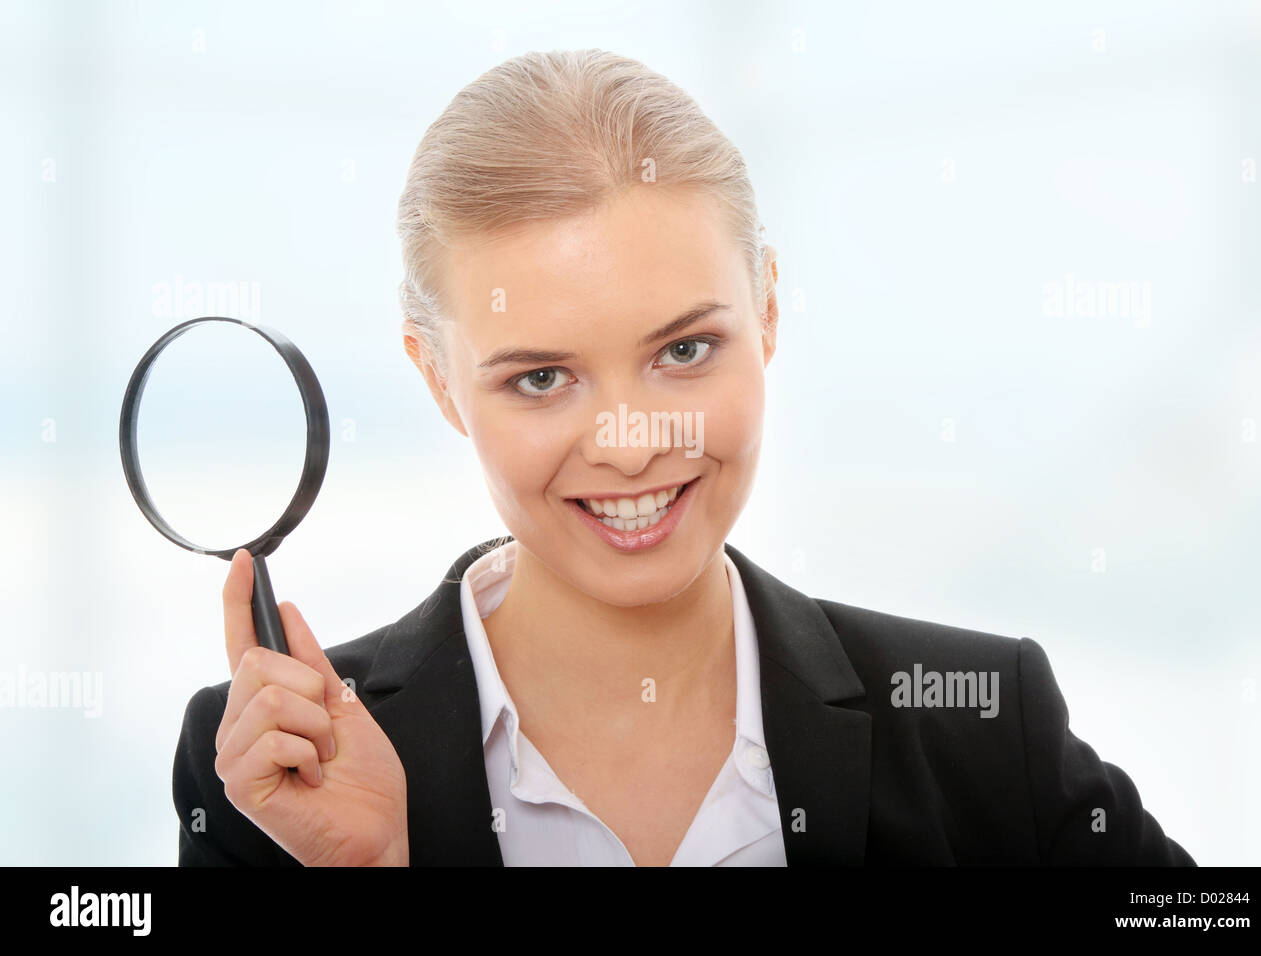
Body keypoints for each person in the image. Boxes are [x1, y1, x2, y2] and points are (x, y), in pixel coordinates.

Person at [172, 48, 1194, 867]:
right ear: (439, 380)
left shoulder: (981, 718)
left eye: (684, 350)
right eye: (540, 377)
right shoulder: (278, 770)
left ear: (770, 312)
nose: (629, 441)